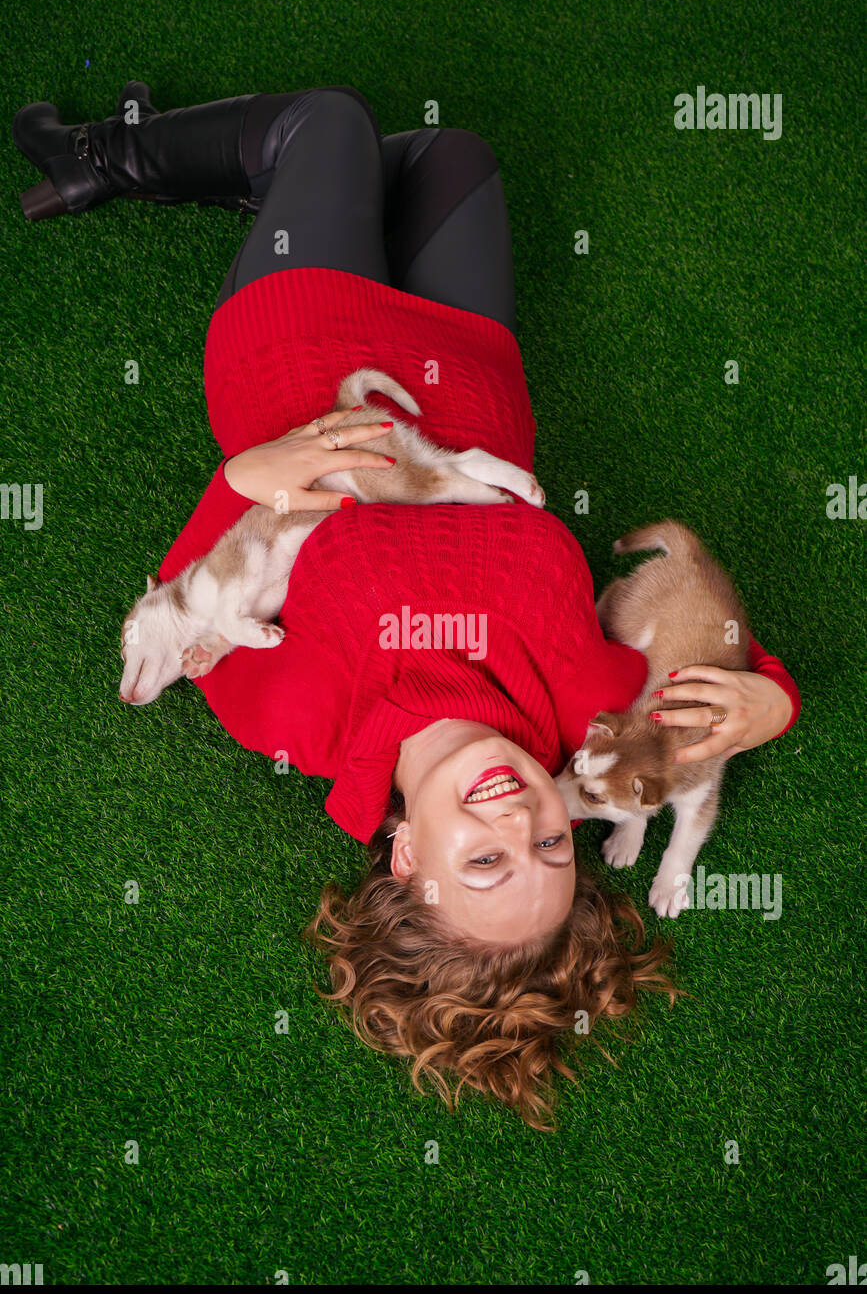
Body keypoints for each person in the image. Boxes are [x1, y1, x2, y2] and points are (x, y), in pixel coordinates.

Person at [14, 83, 800, 1129]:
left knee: (332, 125)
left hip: (311, 374)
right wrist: (770, 704)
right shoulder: (589, 709)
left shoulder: (292, 718)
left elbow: (193, 585)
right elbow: (719, 646)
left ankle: (103, 157)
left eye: (486, 859)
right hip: (470, 382)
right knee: (453, 153)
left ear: (407, 859)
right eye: (554, 847)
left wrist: (259, 471)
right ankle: (276, 191)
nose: (523, 817)